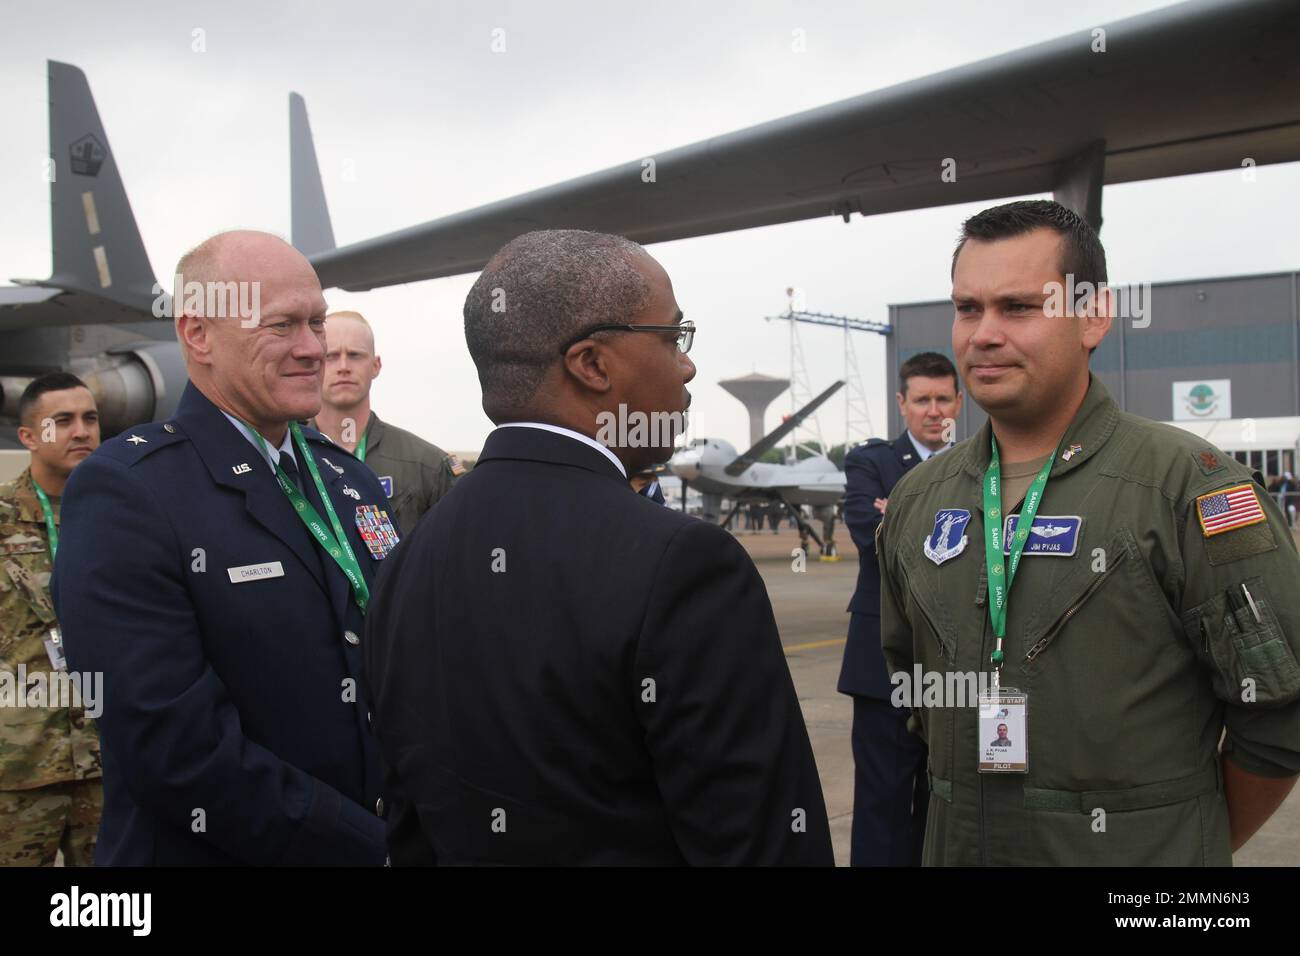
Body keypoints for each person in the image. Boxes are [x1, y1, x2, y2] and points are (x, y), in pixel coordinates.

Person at [365, 229, 832, 865]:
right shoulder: (684, 566)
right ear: (591, 363)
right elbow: (762, 844)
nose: (688, 364)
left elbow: (411, 822)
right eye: (672, 337)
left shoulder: (409, 558)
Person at [878, 199, 1300, 865]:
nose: (983, 334)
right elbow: (912, 692)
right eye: (967, 308)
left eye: (1018, 307)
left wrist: (1180, 851)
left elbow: (1278, 719)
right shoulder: (919, 501)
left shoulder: (1188, 486)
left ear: (1093, 317)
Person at [51, 231, 392, 866]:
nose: (314, 348)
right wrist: (365, 845)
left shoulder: (350, 482)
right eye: (283, 325)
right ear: (199, 336)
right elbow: (172, 749)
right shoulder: (130, 492)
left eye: (317, 322)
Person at [839, 351, 961, 866]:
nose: (934, 411)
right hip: (883, 666)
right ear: (902, 404)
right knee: (882, 804)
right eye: (922, 400)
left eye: (943, 399)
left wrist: (901, 511)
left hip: (958, 667)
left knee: (947, 805)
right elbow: (871, 537)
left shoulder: (984, 463)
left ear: (960, 400)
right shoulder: (871, 462)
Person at [0, 373, 102, 866]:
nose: (81, 431)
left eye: (90, 419)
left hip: (109, 760)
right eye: (61, 421)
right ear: (27, 437)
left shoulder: (119, 519)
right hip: (20, 768)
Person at [313, 310, 464, 537]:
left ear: (376, 366)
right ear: (314, 365)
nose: (343, 366)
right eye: (331, 356)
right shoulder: (284, 456)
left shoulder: (427, 466)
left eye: (355, 355)